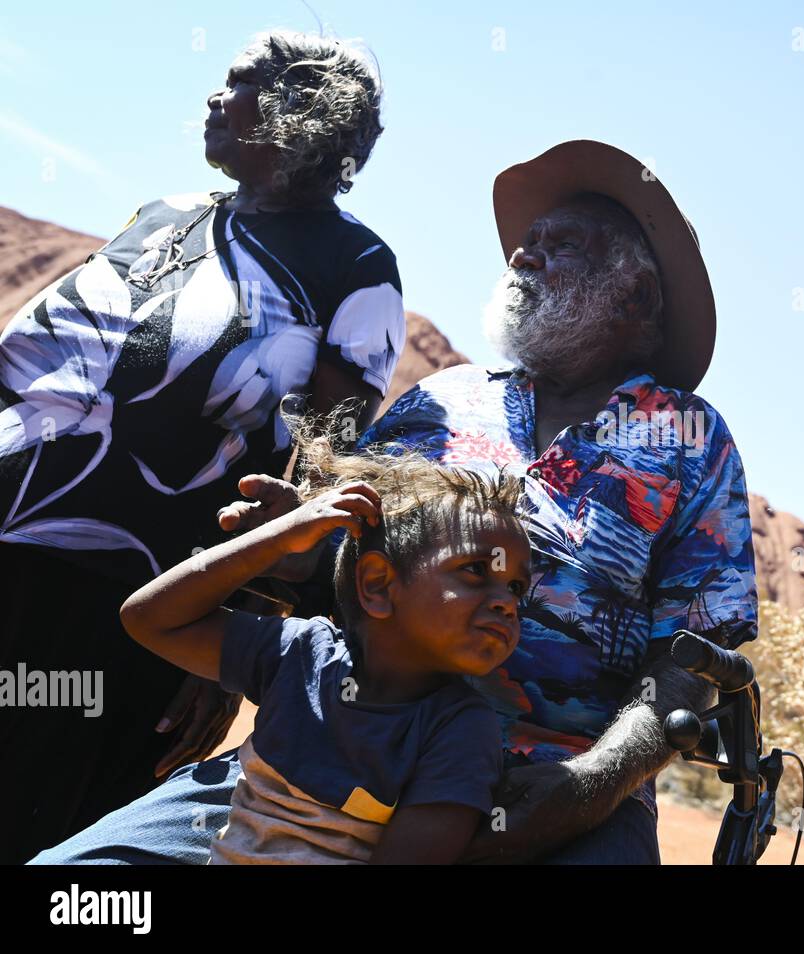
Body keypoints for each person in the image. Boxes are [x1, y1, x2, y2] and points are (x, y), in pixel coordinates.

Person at [34, 140, 757, 866]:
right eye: (525, 244)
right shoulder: (444, 400)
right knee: (81, 883)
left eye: (559, 245)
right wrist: (301, 554)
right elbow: (354, 566)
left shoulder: (689, 440)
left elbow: (691, 660)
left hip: (552, 785)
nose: (523, 257)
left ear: (631, 295)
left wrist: (590, 784)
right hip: (339, 738)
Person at [0, 29, 406, 863]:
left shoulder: (353, 266)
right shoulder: (163, 216)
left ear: (302, 111)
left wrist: (229, 644)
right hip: (8, 540)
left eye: (239, 82)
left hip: (126, 602)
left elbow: (321, 473)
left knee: (40, 819)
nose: (214, 99)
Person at [120, 432, 531, 864]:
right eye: (475, 570)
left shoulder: (461, 729)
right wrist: (279, 537)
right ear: (377, 585)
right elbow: (149, 618)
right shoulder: (300, 653)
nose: (507, 601)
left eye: (516, 586)